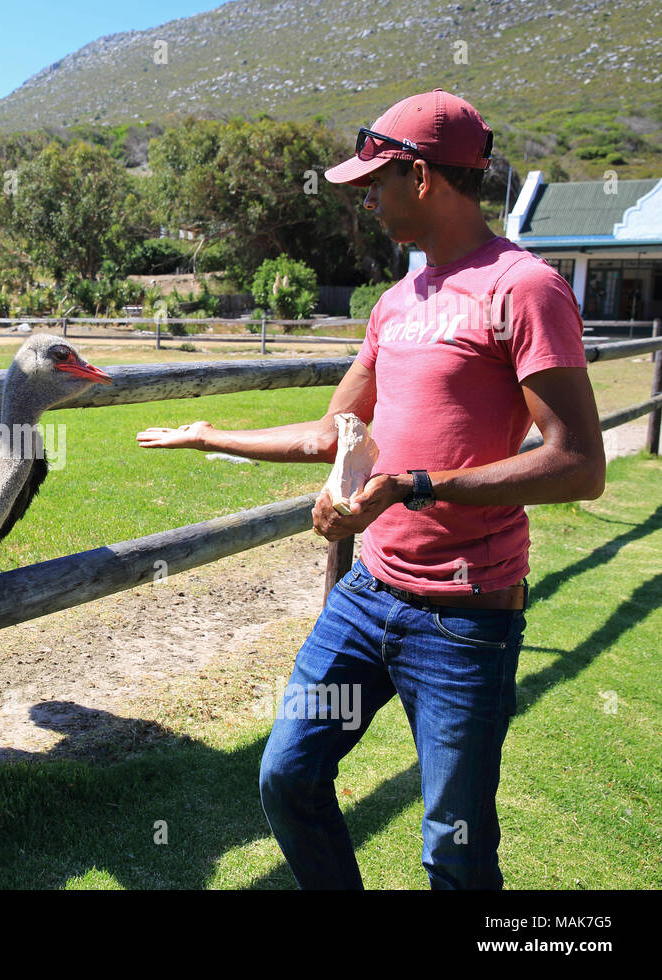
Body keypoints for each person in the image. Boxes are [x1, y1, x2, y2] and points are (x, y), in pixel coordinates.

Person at [136, 89, 605, 889]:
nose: (367, 202)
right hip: (366, 599)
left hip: (464, 620)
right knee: (287, 778)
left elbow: (578, 465)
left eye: (375, 184)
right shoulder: (396, 304)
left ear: (421, 175)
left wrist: (415, 485)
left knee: (453, 851)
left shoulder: (525, 288)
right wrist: (211, 437)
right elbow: (333, 434)